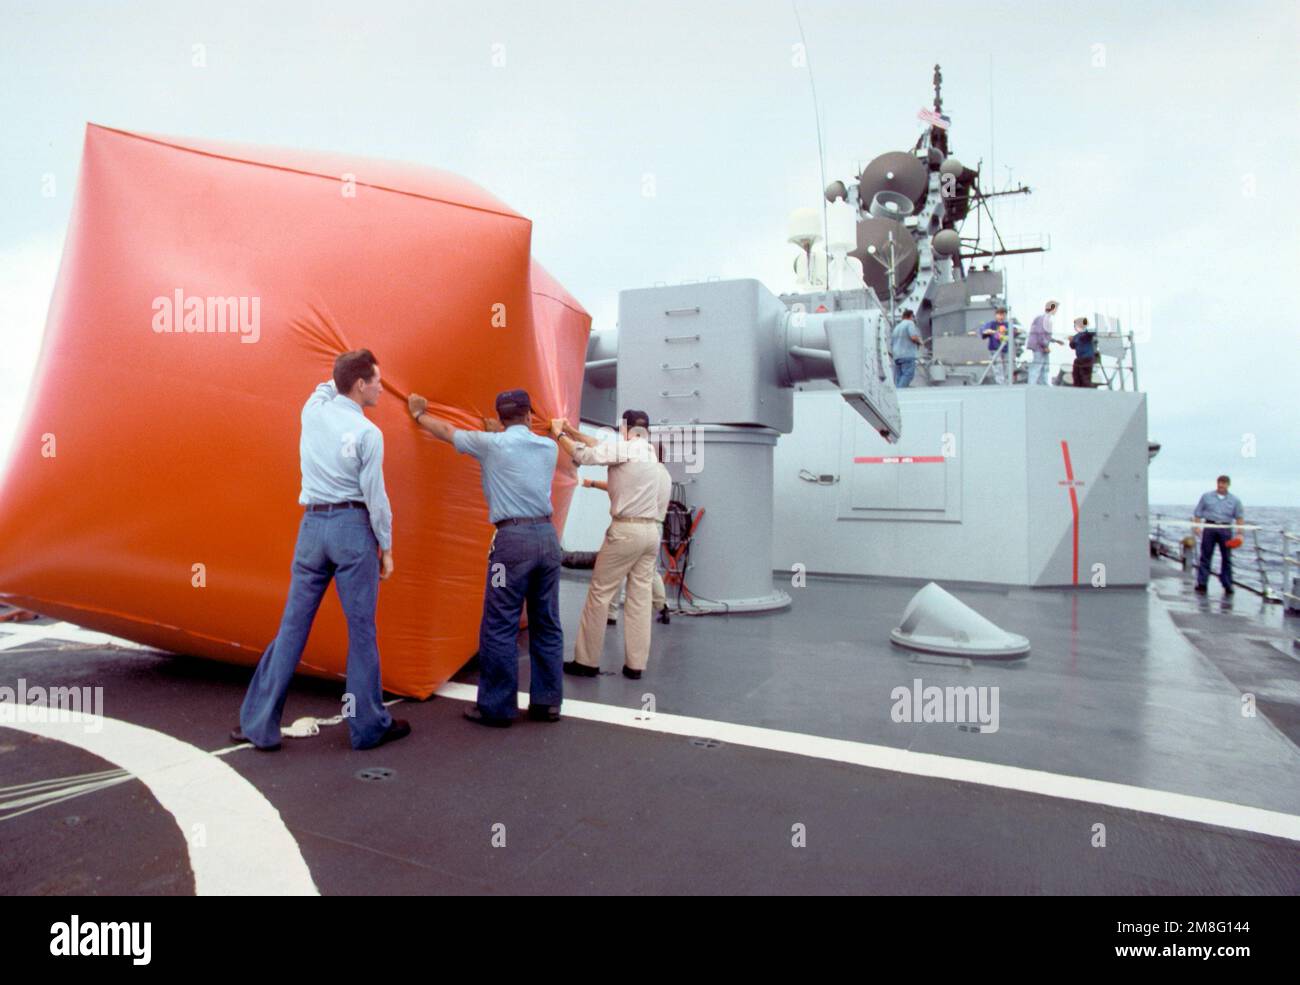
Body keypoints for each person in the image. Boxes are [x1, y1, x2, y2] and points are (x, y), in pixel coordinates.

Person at [232, 350, 410, 752]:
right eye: (377, 380)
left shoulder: (312, 412)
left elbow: (326, 385)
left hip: (312, 528)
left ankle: (260, 725)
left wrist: (341, 371)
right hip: (353, 529)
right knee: (361, 630)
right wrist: (387, 546)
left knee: (292, 627)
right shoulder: (369, 434)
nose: (382, 386)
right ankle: (367, 727)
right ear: (360, 385)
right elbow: (375, 498)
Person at [408, 388, 564, 726]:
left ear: (501, 417)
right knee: (547, 622)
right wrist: (501, 432)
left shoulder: (489, 445)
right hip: (547, 540)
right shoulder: (548, 447)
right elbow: (519, 452)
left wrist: (420, 414)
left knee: (499, 623)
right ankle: (547, 703)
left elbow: (448, 433)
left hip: (511, 544)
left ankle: (497, 708)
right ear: (528, 415)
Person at [554, 411, 671, 680]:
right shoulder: (650, 454)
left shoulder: (627, 449)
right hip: (650, 533)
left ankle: (586, 661)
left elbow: (585, 455)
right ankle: (635, 665)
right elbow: (601, 448)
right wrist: (572, 432)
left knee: (600, 593)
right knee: (640, 599)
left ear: (624, 427)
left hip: (625, 531)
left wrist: (558, 434)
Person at [581, 477, 671, 625]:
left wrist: (592, 483)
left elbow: (618, 487)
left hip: (633, 525)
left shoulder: (641, 470)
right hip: (655, 527)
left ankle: (611, 614)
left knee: (618, 570)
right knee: (651, 571)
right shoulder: (663, 476)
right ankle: (663, 607)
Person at [1193, 475, 1245, 595]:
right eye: (1219, 483)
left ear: (1228, 485)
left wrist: (1240, 534)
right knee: (1205, 555)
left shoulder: (1235, 501)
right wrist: (1197, 526)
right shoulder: (1206, 497)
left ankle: (1227, 584)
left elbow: (1239, 518)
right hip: (1210, 527)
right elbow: (1198, 513)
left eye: (1224, 483)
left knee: (1226, 557)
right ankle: (1202, 583)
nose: (1221, 485)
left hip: (1225, 529)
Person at [1026, 300, 1065, 385]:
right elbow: (1040, 334)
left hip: (1042, 348)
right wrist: (1045, 346)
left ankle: (1043, 385)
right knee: (1037, 367)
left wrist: (1055, 341)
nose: (1056, 311)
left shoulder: (1046, 319)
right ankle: (1032, 385)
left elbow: (1045, 335)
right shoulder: (1043, 319)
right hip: (1039, 348)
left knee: (1044, 368)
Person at [980, 306, 1013, 384]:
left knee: (1006, 369)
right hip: (995, 351)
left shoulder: (1008, 325)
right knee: (998, 369)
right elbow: (984, 332)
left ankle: (1007, 383)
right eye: (1000, 314)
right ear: (996, 315)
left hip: (1005, 351)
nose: (1002, 317)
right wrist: (993, 332)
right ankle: (1001, 384)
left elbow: (1015, 331)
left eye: (1003, 315)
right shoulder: (991, 324)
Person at [890, 309, 922, 388]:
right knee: (908, 374)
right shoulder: (910, 323)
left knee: (899, 376)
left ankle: (897, 393)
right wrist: (920, 342)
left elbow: (891, 343)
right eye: (913, 317)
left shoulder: (897, 327)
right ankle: (901, 393)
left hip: (897, 356)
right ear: (911, 316)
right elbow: (913, 337)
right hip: (907, 355)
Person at [1069, 317, 1097, 387]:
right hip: (1080, 359)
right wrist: (1071, 340)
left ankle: (1088, 391)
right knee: (1076, 375)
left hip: (1087, 358)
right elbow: (1072, 346)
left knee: (1085, 377)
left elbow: (1094, 332)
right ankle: (1077, 388)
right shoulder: (1076, 336)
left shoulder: (1087, 333)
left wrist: (1085, 329)